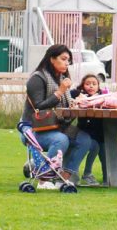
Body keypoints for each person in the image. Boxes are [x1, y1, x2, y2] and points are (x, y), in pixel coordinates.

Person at [21, 44, 92, 182]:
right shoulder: (37, 78)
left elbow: (64, 107)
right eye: (64, 59)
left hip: (56, 126)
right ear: (52, 59)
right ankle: (43, 179)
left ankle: (63, 178)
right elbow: (39, 107)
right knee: (61, 139)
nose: (67, 63)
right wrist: (60, 91)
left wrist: (75, 103)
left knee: (85, 139)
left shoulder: (61, 78)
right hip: (32, 129)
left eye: (68, 60)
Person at [69, 72, 107, 186]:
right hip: (83, 132)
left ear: (98, 86)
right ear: (82, 85)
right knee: (94, 145)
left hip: (100, 134)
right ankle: (85, 173)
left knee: (104, 148)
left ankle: (106, 178)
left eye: (94, 84)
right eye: (87, 84)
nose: (91, 86)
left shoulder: (103, 98)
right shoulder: (80, 96)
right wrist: (79, 94)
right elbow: (70, 93)